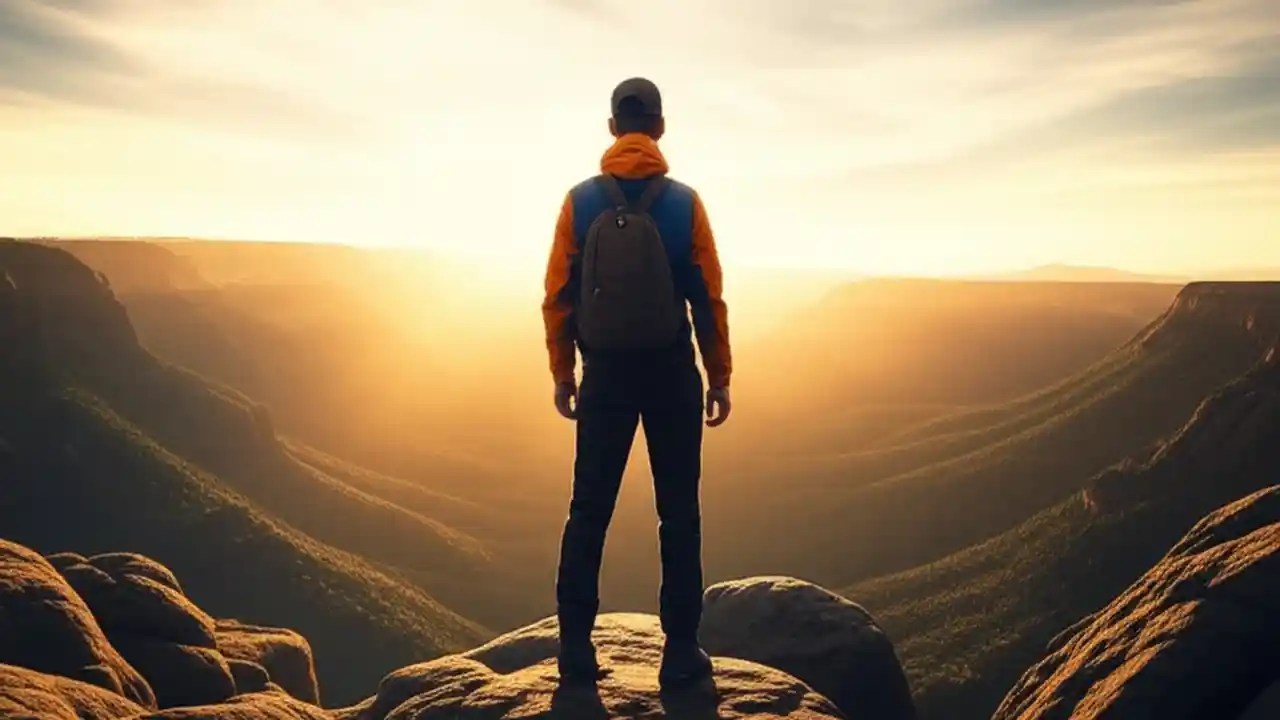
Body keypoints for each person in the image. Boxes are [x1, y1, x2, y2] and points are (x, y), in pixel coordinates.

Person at [542, 77, 733, 688]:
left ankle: (575, 647)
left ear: (611, 129)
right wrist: (719, 375)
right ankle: (680, 652)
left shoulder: (579, 202)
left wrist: (562, 372)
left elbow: (557, 297)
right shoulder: (685, 203)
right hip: (671, 372)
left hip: (605, 375)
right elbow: (708, 297)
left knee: (588, 510)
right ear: (659, 127)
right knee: (678, 513)